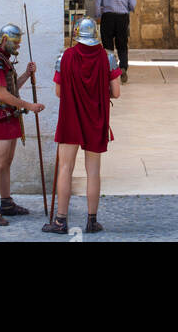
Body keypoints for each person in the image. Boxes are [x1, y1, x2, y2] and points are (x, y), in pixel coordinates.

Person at [42, 17, 122, 236]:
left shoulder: (65, 56)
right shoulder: (108, 57)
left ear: (77, 34)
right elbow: (116, 92)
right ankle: (91, 221)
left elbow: (59, 92)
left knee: (65, 169)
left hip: (70, 118)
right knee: (93, 172)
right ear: (94, 33)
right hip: (96, 119)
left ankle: (60, 221)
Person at [0, 22, 45, 227]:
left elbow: (11, 88)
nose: (18, 47)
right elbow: (2, 94)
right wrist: (29, 105)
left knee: (6, 162)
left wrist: (25, 74)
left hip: (9, 117)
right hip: (1, 118)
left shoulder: (4, 59)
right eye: (15, 43)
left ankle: (6, 203)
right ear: (5, 40)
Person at [94, 0, 136, 82]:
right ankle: (123, 67)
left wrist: (98, 16)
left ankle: (111, 69)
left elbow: (98, 3)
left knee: (107, 45)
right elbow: (132, 3)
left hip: (108, 17)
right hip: (122, 17)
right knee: (122, 44)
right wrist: (130, 9)